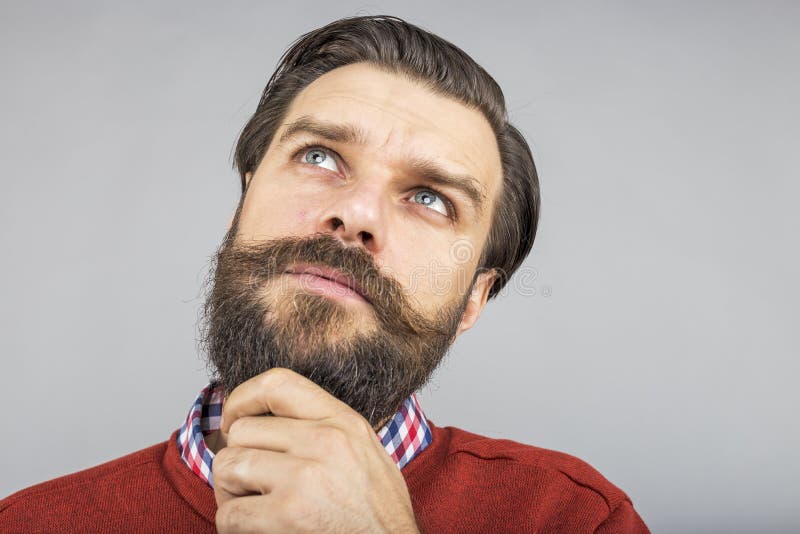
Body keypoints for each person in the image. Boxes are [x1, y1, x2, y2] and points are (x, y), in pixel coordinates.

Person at [0, 14, 649, 533]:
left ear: (474, 298)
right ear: (241, 206)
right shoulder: (29, 525)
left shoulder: (575, 519)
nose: (356, 215)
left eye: (430, 198)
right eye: (319, 155)